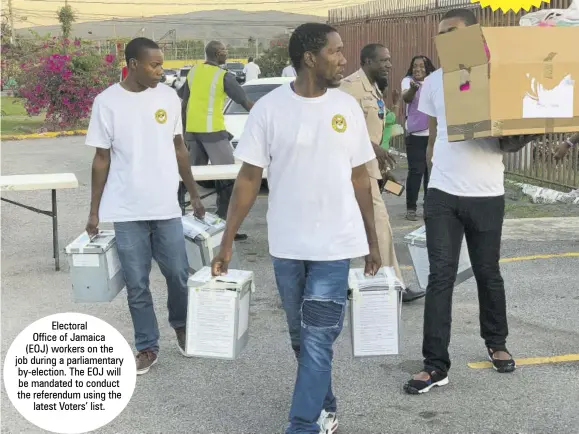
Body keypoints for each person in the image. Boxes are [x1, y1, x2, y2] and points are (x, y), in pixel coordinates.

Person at [210, 23, 381, 434]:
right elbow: (249, 179)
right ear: (310, 57)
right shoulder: (269, 110)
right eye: (336, 51)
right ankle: (326, 405)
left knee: (319, 337)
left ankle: (302, 424)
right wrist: (226, 242)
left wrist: (372, 242)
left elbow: (361, 178)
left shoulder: (346, 108)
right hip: (287, 245)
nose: (343, 59)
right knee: (300, 339)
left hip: (335, 244)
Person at [403, 9, 537, 394]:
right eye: (440, 34)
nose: (444, 39)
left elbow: (516, 127)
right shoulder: (431, 83)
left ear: (475, 35)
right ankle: (435, 365)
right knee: (439, 277)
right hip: (443, 193)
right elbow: (432, 135)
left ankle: (496, 342)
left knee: (487, 272)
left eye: (453, 32)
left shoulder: (498, 76)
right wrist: (432, 170)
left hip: (486, 193)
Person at [84, 37, 206, 375]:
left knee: (179, 275)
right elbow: (101, 158)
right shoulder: (106, 102)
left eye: (162, 64)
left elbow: (179, 147)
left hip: (166, 207)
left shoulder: (168, 97)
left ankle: (181, 327)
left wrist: (194, 193)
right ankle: (147, 346)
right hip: (126, 210)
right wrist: (94, 210)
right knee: (137, 284)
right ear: (133, 64)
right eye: (154, 65)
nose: (160, 71)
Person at [340, 43, 426, 303]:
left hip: (368, 170)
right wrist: (373, 149)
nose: (389, 65)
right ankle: (392, 285)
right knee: (377, 227)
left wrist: (381, 168)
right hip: (351, 173)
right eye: (383, 61)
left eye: (389, 60)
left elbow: (374, 130)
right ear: (367, 61)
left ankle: (389, 284)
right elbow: (343, 130)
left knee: (371, 227)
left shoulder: (374, 87)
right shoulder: (349, 87)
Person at [178, 40, 253, 241]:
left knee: (190, 179)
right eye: (225, 51)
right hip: (213, 132)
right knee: (228, 179)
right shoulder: (223, 76)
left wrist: (184, 133)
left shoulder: (193, 72)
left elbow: (184, 102)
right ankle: (226, 228)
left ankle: (182, 224)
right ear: (218, 53)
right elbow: (244, 101)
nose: (226, 54)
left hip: (193, 133)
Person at [401, 55, 436, 221]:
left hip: (432, 135)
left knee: (431, 172)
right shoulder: (407, 82)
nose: (418, 69)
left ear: (428, 68)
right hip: (415, 135)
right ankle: (411, 208)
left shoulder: (433, 81)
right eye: (415, 66)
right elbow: (406, 98)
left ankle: (429, 207)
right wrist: (414, 89)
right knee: (416, 172)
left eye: (422, 66)